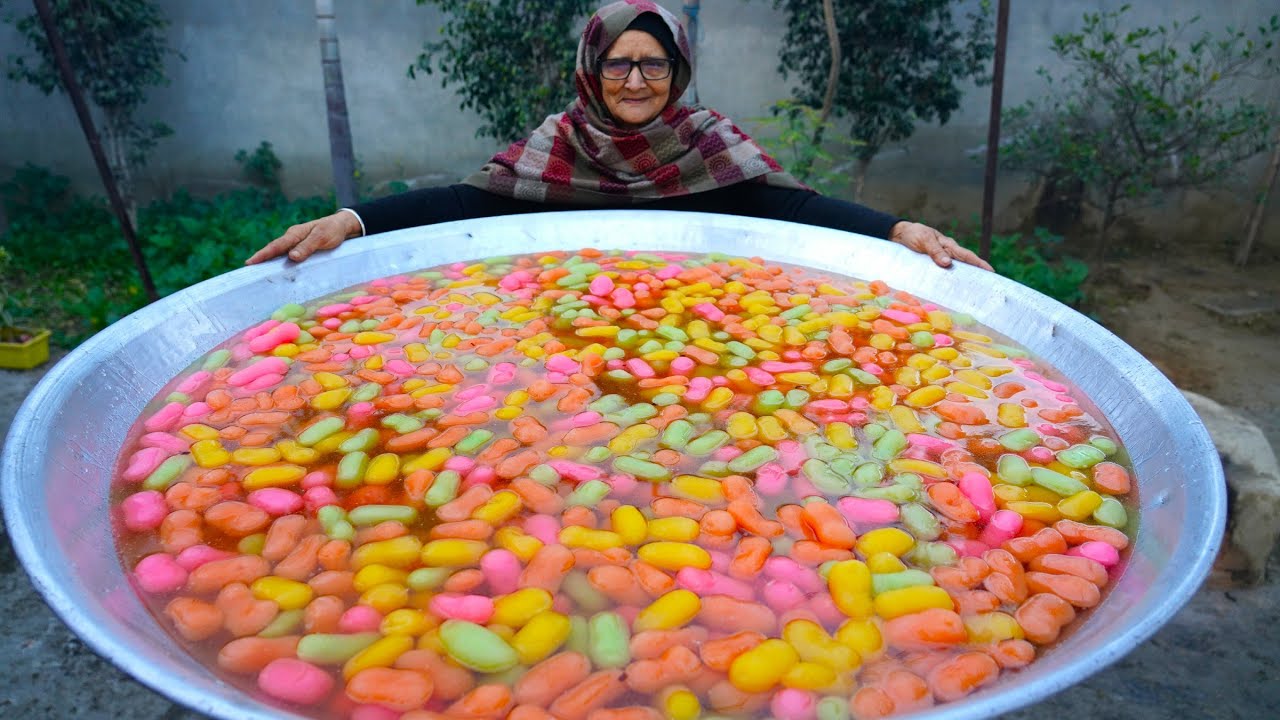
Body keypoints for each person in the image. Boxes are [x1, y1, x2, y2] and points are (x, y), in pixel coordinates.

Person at [246, 0, 991, 272]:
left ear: (679, 70)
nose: (637, 82)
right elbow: (464, 205)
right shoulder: (557, 150)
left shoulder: (709, 146)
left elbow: (795, 212)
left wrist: (900, 228)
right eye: (619, 65)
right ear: (592, 71)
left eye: (655, 64)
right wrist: (352, 219)